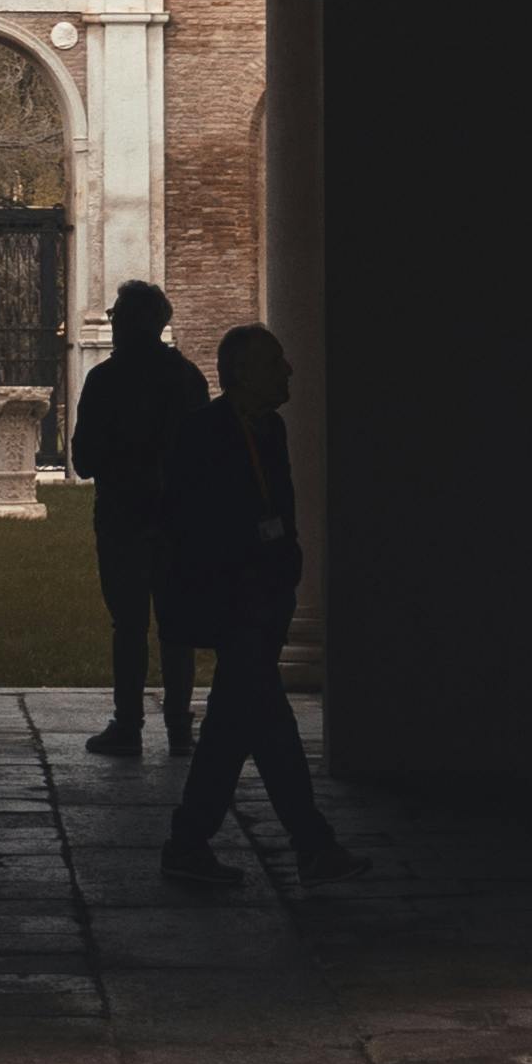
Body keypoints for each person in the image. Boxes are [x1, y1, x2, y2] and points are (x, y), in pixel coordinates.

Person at [160, 317, 348, 888]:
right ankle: (308, 844)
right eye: (275, 363)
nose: (289, 370)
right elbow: (190, 526)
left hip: (264, 598)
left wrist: (285, 568)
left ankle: (194, 844)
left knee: (242, 724)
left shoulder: (271, 430)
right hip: (233, 600)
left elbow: (279, 510)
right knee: (261, 723)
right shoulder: (203, 434)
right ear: (242, 373)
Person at [65, 278, 207, 764]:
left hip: (123, 515)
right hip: (176, 520)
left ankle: (127, 726)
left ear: (134, 322)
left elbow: (83, 459)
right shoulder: (188, 379)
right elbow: (199, 457)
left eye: (117, 314)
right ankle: (179, 728)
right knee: (176, 627)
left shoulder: (105, 379)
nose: (111, 321)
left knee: (128, 624)